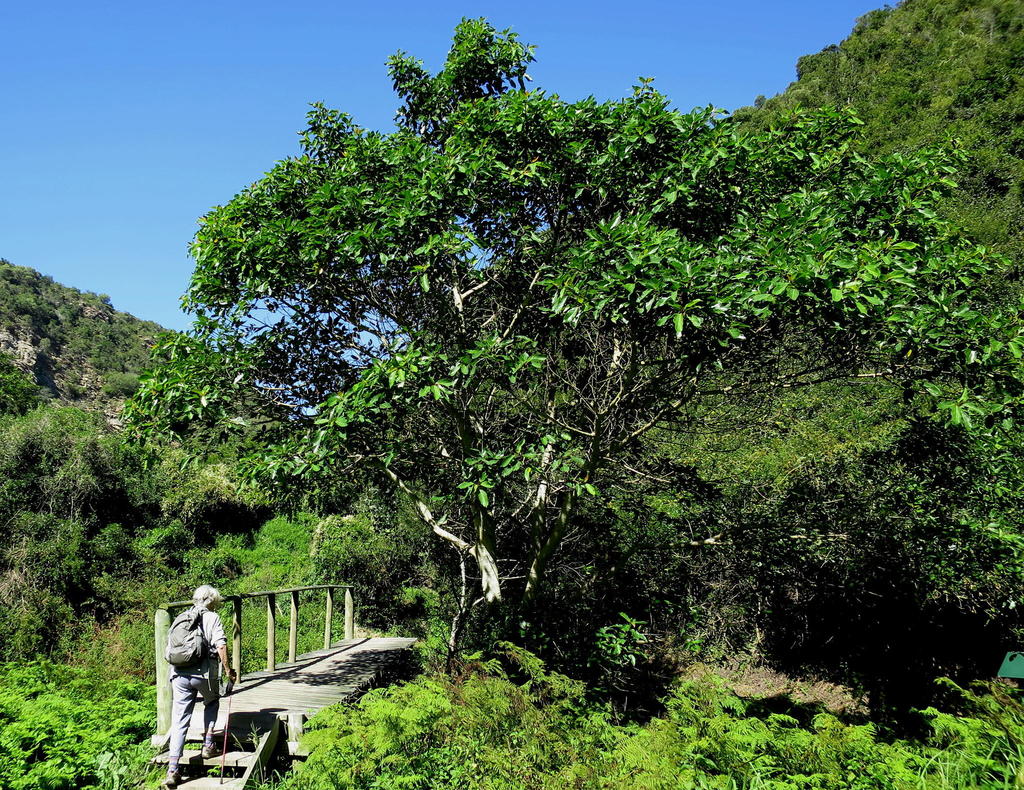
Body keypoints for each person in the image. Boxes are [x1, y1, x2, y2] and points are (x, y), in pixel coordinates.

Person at [164, 585, 237, 788]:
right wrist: (229, 671)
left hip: (179, 674)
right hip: (204, 674)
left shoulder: (182, 617)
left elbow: (169, 648)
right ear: (211, 601)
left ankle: (172, 769)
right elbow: (221, 645)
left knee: (179, 719)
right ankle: (208, 745)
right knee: (212, 701)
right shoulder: (212, 617)